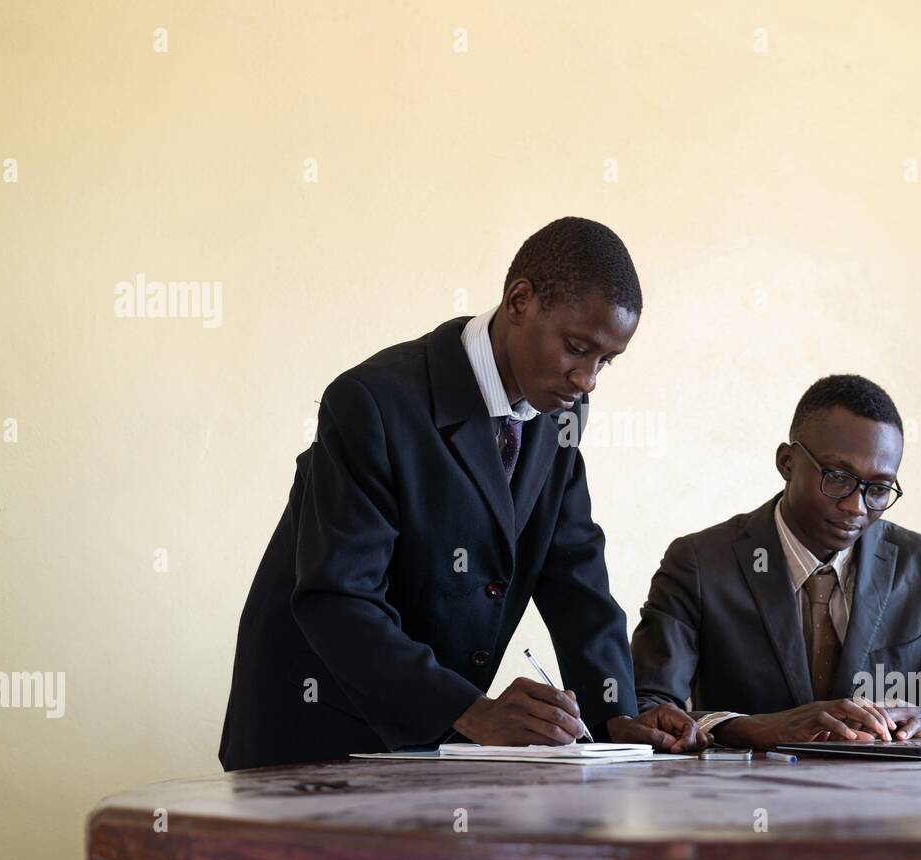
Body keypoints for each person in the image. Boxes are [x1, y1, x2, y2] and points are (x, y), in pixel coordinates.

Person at [220, 217, 706, 771]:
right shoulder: (372, 402)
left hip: (431, 737)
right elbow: (339, 597)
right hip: (313, 727)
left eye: (606, 362)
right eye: (577, 348)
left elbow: (575, 574)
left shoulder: (560, 412)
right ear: (519, 301)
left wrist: (617, 713)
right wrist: (470, 710)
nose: (587, 380)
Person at [631, 375, 921, 750]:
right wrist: (750, 728)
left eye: (879, 489)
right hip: (747, 784)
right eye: (838, 478)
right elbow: (647, 706)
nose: (856, 507)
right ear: (787, 462)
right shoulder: (700, 563)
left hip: (890, 786)